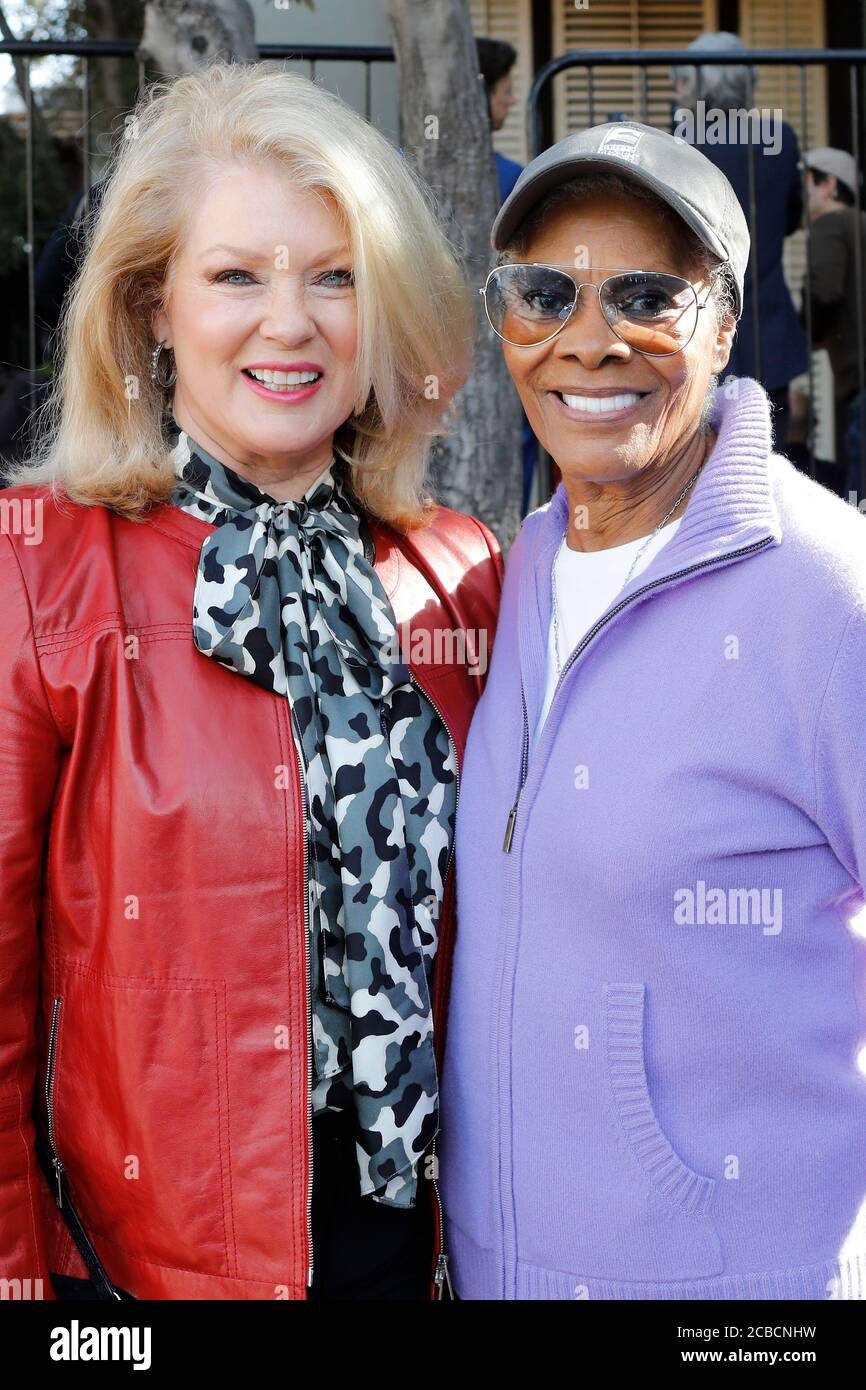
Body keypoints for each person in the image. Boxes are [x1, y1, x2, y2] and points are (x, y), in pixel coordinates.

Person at [0, 61, 502, 1302]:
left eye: (335, 277)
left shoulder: (459, 570)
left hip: (419, 1248)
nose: (292, 322)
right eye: (236, 275)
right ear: (153, 305)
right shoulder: (39, 566)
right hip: (135, 1272)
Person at [441, 120, 866, 1300]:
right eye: (541, 294)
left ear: (724, 326)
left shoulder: (825, 590)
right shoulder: (516, 568)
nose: (587, 339)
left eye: (643, 294)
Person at [671, 32, 809, 454]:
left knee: (698, 458)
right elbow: (791, 219)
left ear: (694, 83)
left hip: (697, 325)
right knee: (771, 456)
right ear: (748, 81)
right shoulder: (779, 138)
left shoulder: (678, 145)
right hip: (768, 325)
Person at [477, 36, 540, 516]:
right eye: (505, 89)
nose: (512, 99)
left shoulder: (400, 164)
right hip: (499, 338)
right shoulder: (513, 180)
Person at [801, 147, 866, 499]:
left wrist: (806, 335)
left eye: (806, 182)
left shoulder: (830, 224)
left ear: (828, 185)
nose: (801, 192)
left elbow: (823, 294)